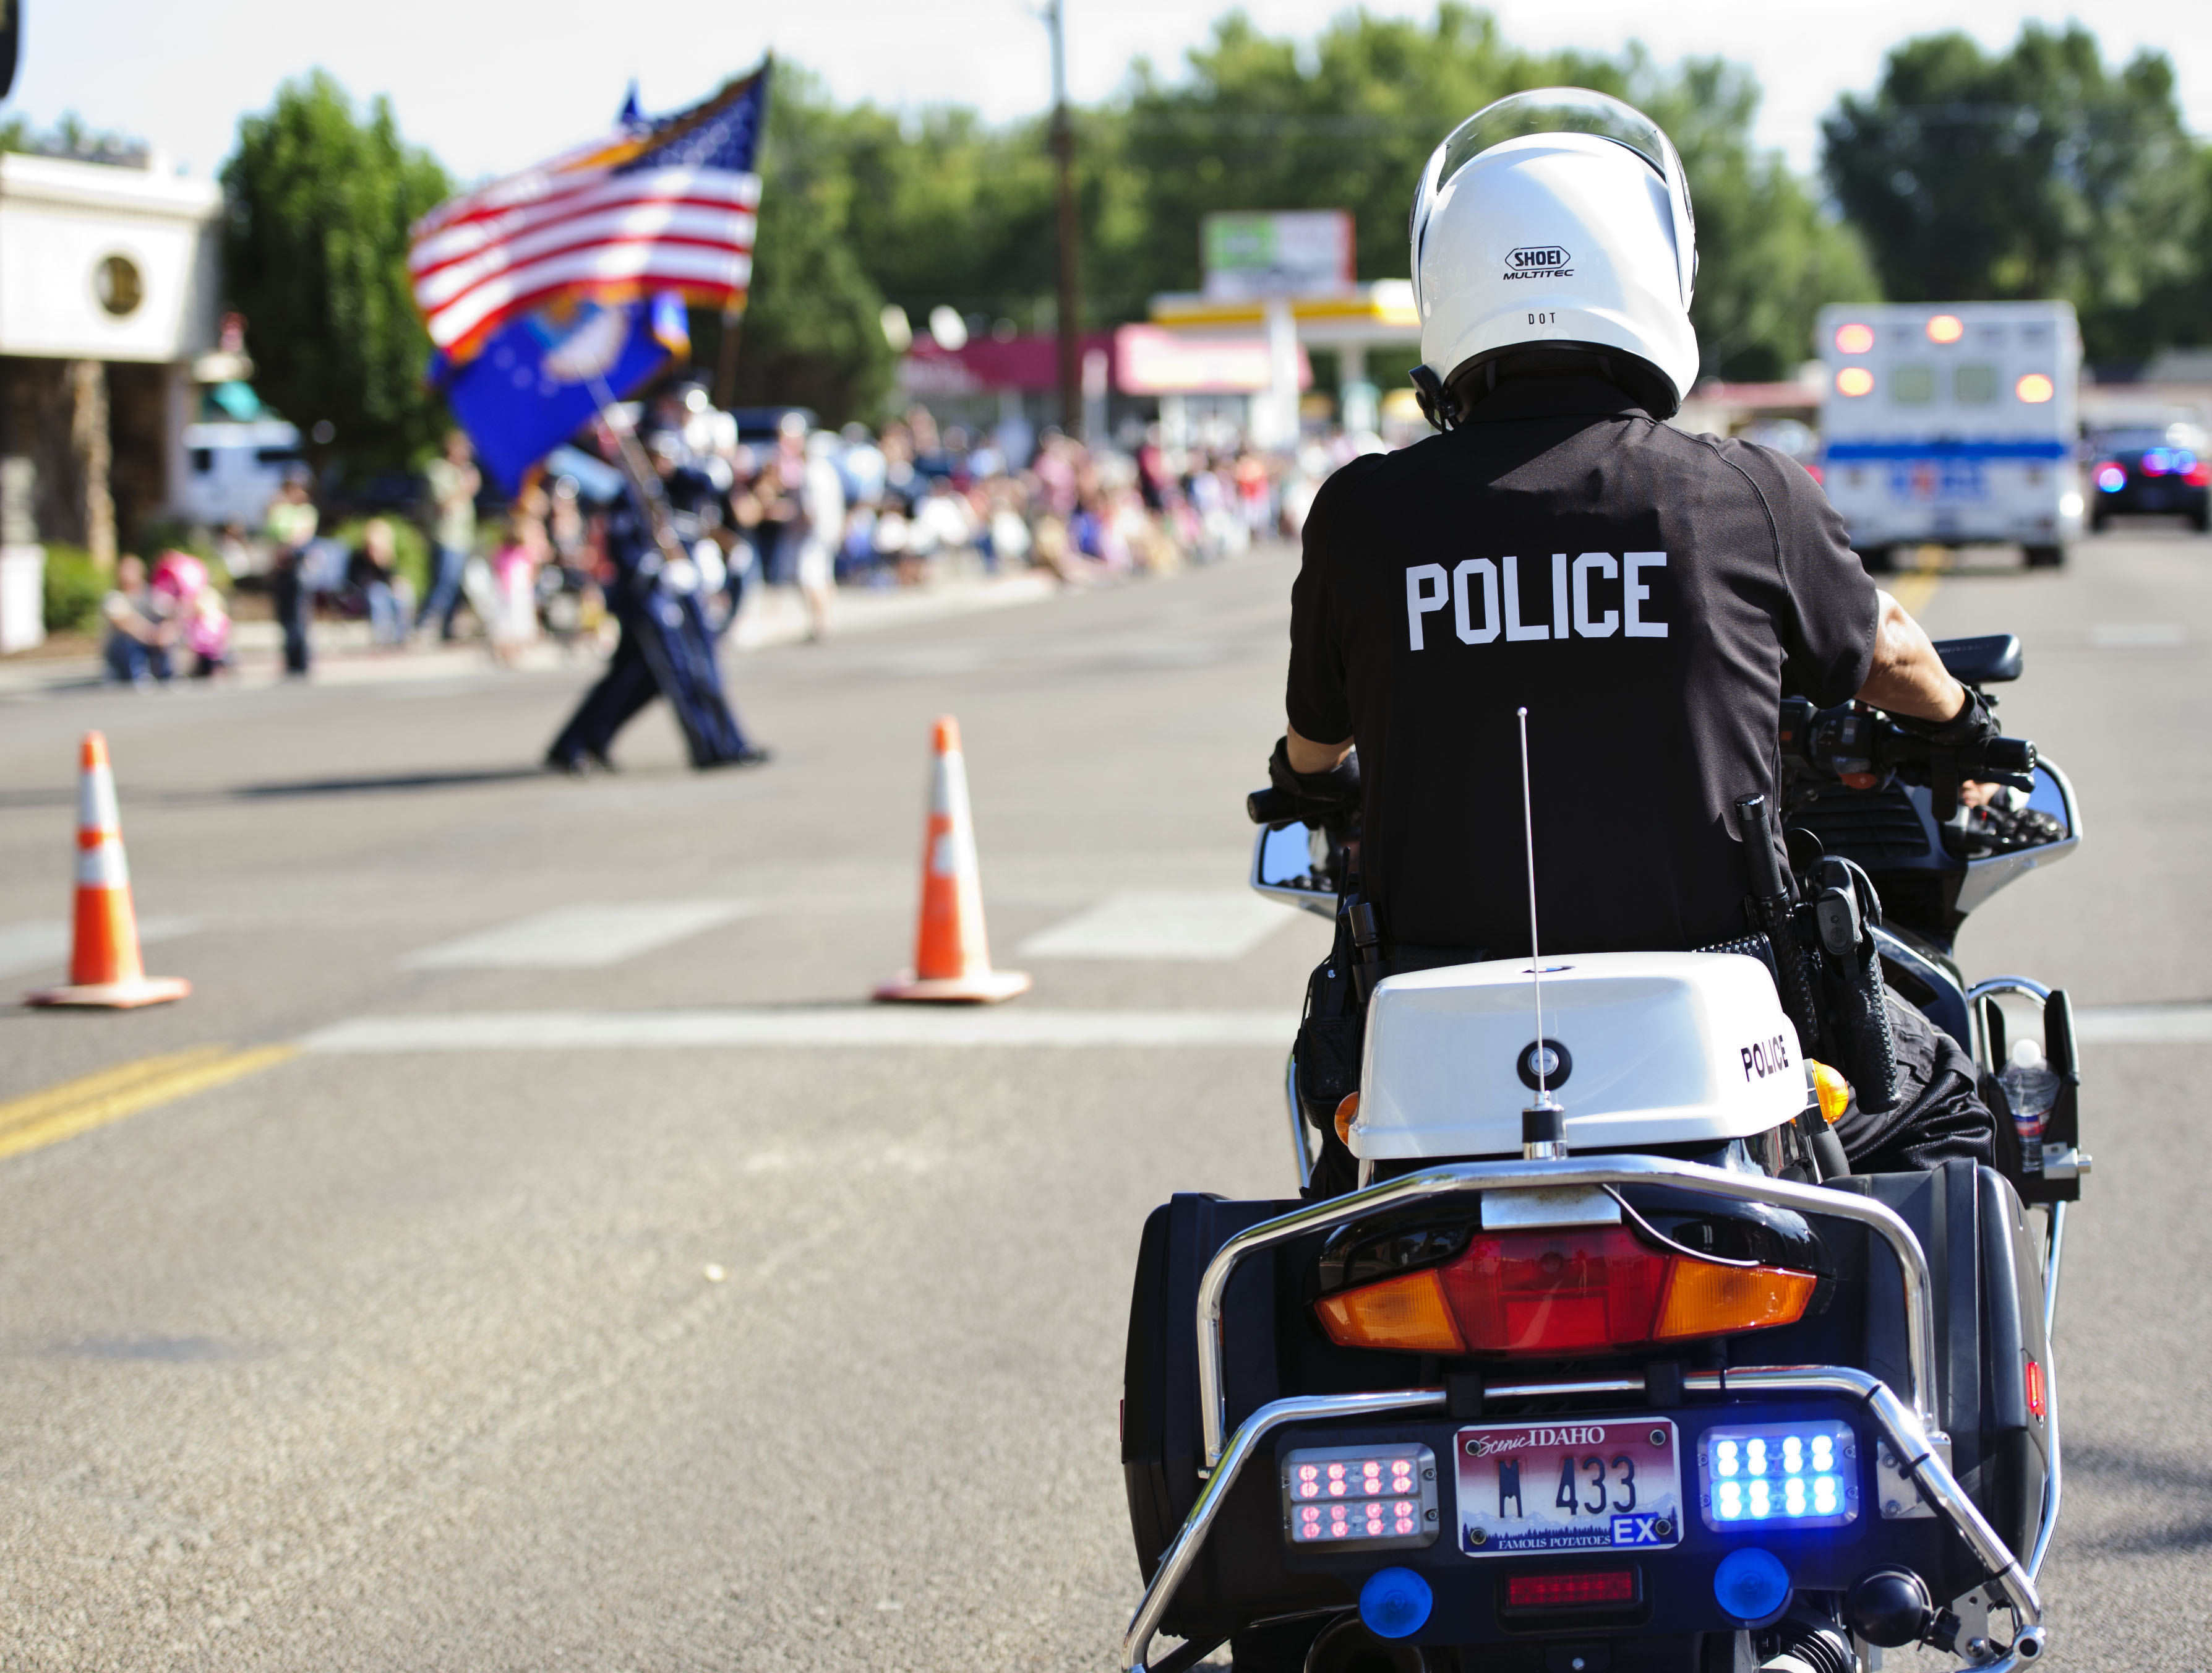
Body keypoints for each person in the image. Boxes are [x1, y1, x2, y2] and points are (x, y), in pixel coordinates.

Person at [1270, 88, 1999, 1189]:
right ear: (1655, 280)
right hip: (1720, 1014)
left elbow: (1314, 742)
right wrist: (1963, 726)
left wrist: (1301, 779)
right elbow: (1889, 651)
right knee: (1954, 1096)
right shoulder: (1738, 490)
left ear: (1446, 286)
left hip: (1431, 1028)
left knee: (1333, 1187)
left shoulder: (1362, 511)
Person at [545, 429, 768, 774]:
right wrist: (656, 569)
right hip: (647, 603)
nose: (664, 463)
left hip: (678, 600)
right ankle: (708, 746)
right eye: (657, 455)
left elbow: (701, 510)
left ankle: (589, 741)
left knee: (648, 681)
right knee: (673, 675)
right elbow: (625, 549)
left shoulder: (671, 490)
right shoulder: (629, 495)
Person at [418, 430, 480, 642]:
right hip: (446, 538)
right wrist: (466, 488)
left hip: (463, 538)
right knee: (442, 584)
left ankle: (448, 629)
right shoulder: (439, 470)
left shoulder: (462, 472)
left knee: (457, 588)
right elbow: (443, 505)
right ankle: (422, 626)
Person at [264, 473, 318, 676]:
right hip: (281, 568)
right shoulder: (279, 511)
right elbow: (271, 533)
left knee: (299, 615)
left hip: (297, 568)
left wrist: (286, 547)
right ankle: (290, 660)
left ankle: (302, 661)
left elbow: (300, 537)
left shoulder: (305, 511)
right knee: (284, 615)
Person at [100, 555, 171, 685]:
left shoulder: (151, 594)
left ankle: (167, 672)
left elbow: (169, 612)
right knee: (127, 640)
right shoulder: (115, 597)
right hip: (126, 647)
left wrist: (165, 631)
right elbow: (124, 622)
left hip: (151, 642)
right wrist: (151, 634)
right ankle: (137, 672)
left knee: (165, 630)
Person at [347, 517, 410, 647]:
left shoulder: (387, 557)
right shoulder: (358, 557)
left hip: (384, 591)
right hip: (363, 593)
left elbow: (390, 578)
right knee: (378, 593)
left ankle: (401, 635)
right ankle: (382, 637)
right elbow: (358, 580)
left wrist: (384, 564)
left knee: (403, 593)